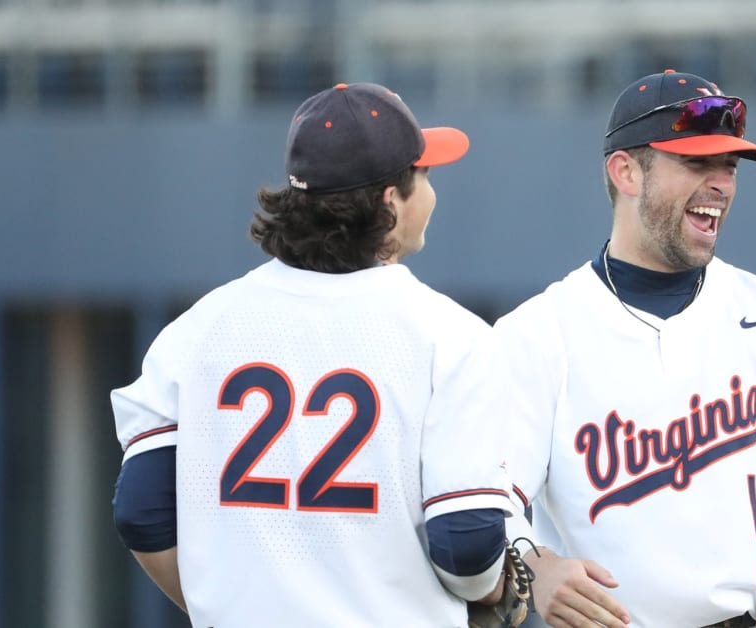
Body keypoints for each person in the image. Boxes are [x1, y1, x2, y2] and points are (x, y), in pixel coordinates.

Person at [110, 82, 517, 627]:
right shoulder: (452, 337)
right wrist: (490, 594)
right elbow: (466, 544)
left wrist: (219, 606)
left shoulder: (198, 329)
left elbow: (142, 513)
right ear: (389, 201)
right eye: (424, 176)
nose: (432, 193)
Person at [495, 70, 756, 628]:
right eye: (696, 162)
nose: (721, 184)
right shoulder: (538, 333)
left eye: (729, 166)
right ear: (626, 172)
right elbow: (491, 502)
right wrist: (535, 567)